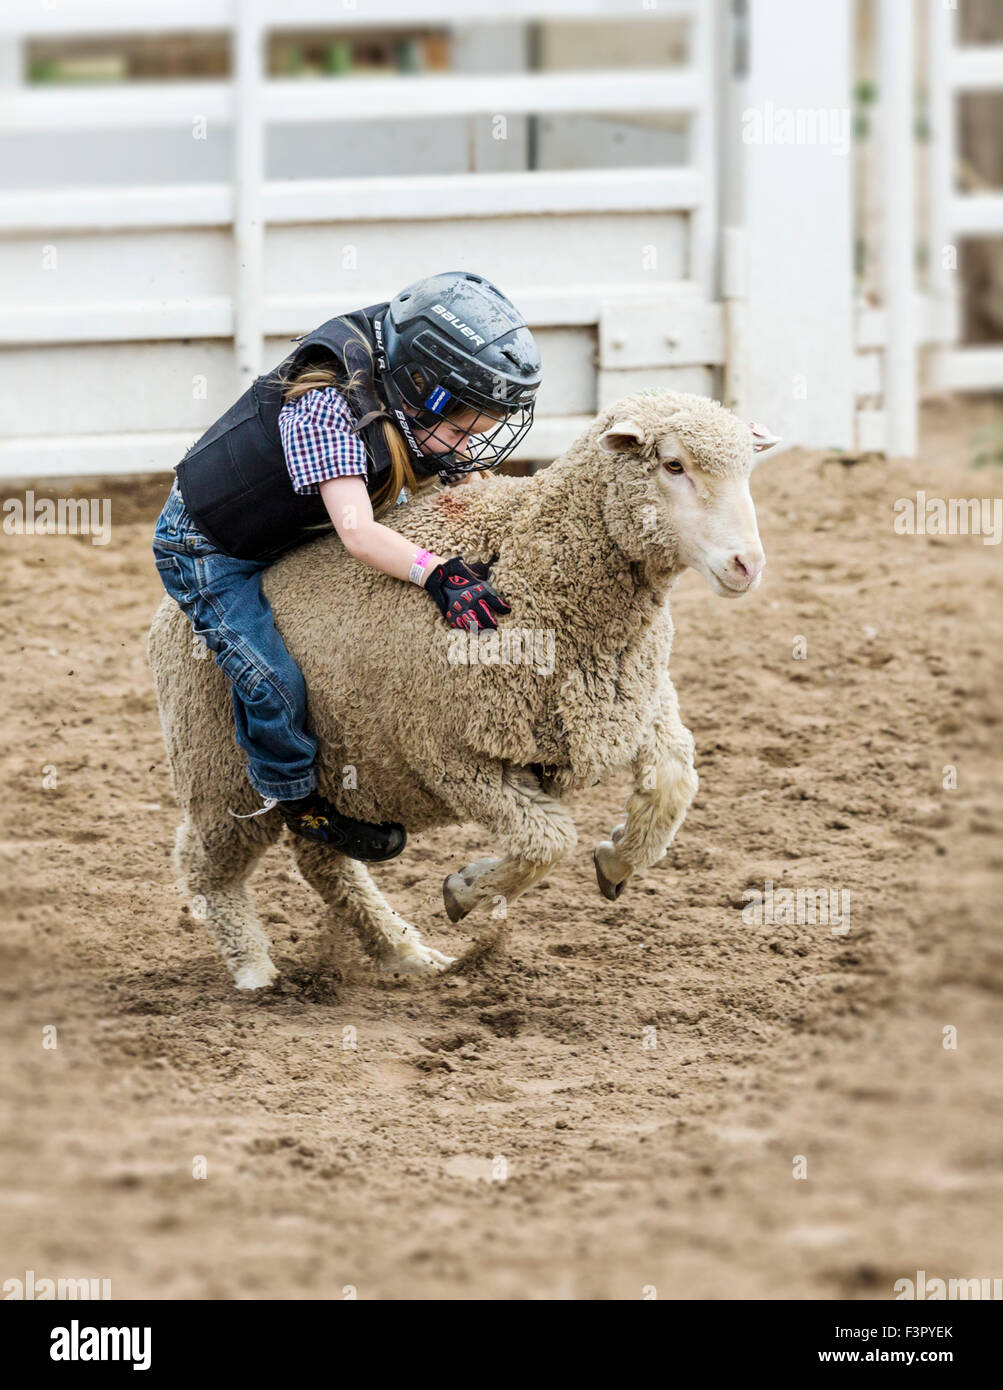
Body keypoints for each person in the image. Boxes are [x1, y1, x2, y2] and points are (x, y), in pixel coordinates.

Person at [152, 269, 542, 861]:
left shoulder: (399, 377)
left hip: (297, 518)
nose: (468, 447)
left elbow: (411, 473)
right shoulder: (325, 407)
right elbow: (359, 533)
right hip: (211, 547)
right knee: (271, 680)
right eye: (461, 431)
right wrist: (436, 572)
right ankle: (298, 800)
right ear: (421, 387)